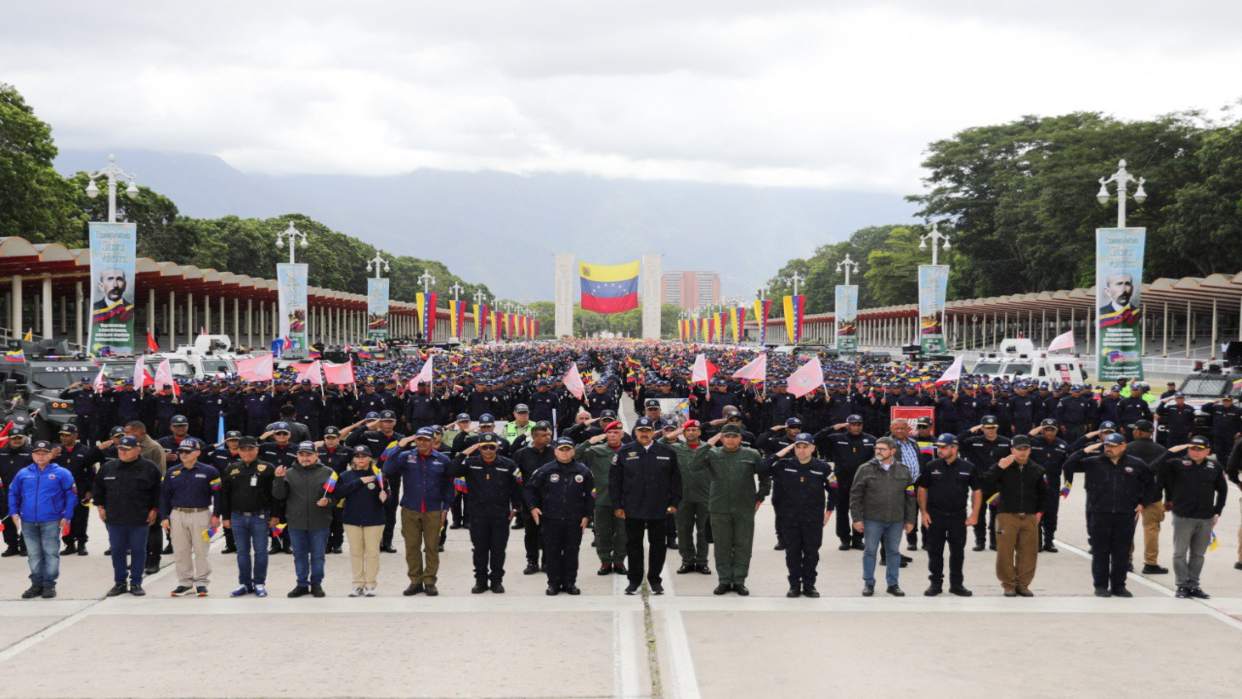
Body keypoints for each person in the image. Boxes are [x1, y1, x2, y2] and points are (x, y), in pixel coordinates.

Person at [1064, 433, 1153, 597]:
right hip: (1099, 513)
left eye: (1112, 446)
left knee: (1121, 553)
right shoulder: (1093, 462)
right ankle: (1100, 586)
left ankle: (1119, 586)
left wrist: (1142, 502)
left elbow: (1150, 484)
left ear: (1123, 446)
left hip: (1125, 514)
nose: (1108, 449)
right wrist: (1085, 450)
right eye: (1106, 446)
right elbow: (1069, 464)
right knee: (1100, 552)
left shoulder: (1136, 464)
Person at [694, 423, 768, 596]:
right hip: (719, 507)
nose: (730, 439)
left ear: (740, 438)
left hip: (744, 508)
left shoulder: (752, 454)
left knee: (743, 544)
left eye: (734, 436)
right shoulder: (712, 454)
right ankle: (724, 580)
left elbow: (765, 476)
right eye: (726, 436)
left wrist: (760, 497)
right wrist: (709, 443)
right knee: (722, 545)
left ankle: (739, 580)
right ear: (722, 438)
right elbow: (695, 464)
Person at [610, 417, 681, 595]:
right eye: (640, 430)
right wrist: (617, 505)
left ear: (653, 432)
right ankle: (634, 580)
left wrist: (674, 503)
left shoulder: (667, 451)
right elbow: (615, 482)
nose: (644, 433)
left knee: (658, 546)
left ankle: (655, 580)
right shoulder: (624, 452)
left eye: (647, 430)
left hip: (659, 508)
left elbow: (676, 481)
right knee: (633, 546)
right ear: (635, 432)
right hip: (632, 508)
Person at [383, 428, 453, 596]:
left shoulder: (442, 460)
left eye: (426, 440)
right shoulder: (405, 456)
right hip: (410, 509)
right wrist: (399, 446)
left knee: (431, 547)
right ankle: (415, 581)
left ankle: (429, 581)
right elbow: (387, 467)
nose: (422, 443)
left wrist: (445, 508)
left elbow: (449, 487)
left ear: (432, 440)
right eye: (419, 439)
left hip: (434, 510)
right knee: (412, 547)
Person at [453, 433, 523, 593]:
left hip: (501, 515)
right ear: (479, 447)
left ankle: (497, 581)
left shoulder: (509, 464)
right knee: (480, 550)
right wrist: (467, 451)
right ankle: (480, 581)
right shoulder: (470, 463)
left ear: (497, 447)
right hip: (477, 515)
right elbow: (452, 470)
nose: (489, 450)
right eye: (484, 447)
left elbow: (517, 488)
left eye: (492, 447)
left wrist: (515, 509)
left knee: (498, 550)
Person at [767, 433, 834, 598]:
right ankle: (794, 585)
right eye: (798, 446)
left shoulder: (823, 467)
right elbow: (761, 467)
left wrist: (828, 511)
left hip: (813, 519)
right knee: (792, 553)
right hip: (790, 519)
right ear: (793, 448)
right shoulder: (783, 465)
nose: (802, 450)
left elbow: (834, 490)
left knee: (812, 553)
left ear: (812, 448)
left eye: (806, 447)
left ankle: (810, 585)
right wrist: (782, 452)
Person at [93, 435, 163, 596]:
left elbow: (158, 492)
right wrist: (100, 507)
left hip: (139, 518)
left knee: (139, 551)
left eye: (126, 449)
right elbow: (98, 489)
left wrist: (154, 510)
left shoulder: (149, 468)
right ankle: (120, 583)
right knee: (117, 551)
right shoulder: (108, 467)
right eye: (120, 449)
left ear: (138, 449)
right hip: (115, 518)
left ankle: (136, 582)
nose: (122, 452)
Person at [1160, 436, 1228, 599]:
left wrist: (1217, 511)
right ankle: (1182, 585)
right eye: (1192, 448)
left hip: (1205, 517)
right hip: (1183, 516)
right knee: (1180, 553)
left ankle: (1193, 584)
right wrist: (1170, 451)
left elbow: (1222, 490)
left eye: (1200, 449)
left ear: (1208, 451)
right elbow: (1158, 468)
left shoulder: (1214, 466)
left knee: (1198, 554)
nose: (1195, 452)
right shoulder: (1176, 464)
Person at [7, 440, 76, 599]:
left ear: (51, 454)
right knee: (34, 554)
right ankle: (36, 584)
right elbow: (13, 492)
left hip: (51, 520)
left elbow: (71, 494)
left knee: (51, 553)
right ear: (32, 455)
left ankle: (49, 585)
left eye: (44, 453)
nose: (41, 456)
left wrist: (67, 516)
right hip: (28, 520)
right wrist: (14, 512)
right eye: (37, 453)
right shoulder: (23, 473)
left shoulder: (62, 473)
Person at [526, 437, 595, 595]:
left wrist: (587, 516)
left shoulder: (583, 471)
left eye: (568, 449)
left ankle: (570, 583)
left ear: (573, 451)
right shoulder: (545, 470)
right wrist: (533, 507)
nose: (564, 452)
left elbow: (591, 495)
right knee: (552, 552)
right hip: (551, 519)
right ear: (555, 451)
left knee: (572, 552)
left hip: (574, 519)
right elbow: (530, 489)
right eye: (561, 449)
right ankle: (553, 583)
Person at [849, 436, 917, 597]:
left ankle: (893, 584)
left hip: (896, 519)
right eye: (876, 449)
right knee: (870, 551)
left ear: (892, 451)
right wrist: (857, 518)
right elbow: (855, 495)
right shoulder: (865, 469)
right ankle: (869, 583)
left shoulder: (903, 470)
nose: (878, 451)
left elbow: (910, 497)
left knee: (893, 552)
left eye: (882, 449)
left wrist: (910, 520)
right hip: (873, 518)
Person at [916, 434, 981, 597]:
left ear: (954, 447)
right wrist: (923, 513)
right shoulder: (931, 466)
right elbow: (922, 489)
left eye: (944, 447)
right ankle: (935, 584)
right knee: (934, 552)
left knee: (958, 552)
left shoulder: (968, 467)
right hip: (935, 516)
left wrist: (974, 514)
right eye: (939, 447)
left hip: (958, 516)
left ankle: (957, 585)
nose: (940, 450)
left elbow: (977, 491)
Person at [273, 441, 335, 598]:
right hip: (296, 522)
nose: (305, 458)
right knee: (299, 555)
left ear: (316, 455)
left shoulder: (328, 473)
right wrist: (279, 479)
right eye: (302, 455)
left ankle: (316, 584)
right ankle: (301, 584)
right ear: (297, 456)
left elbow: (336, 495)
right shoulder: (289, 473)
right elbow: (279, 496)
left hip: (319, 522)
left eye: (309, 455)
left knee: (318, 555)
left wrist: (328, 501)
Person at [159, 438, 220, 597]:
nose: (183, 454)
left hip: (200, 514)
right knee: (180, 550)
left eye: (187, 451)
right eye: (181, 452)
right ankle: (185, 582)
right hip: (177, 515)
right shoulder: (172, 472)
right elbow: (164, 496)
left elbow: (218, 495)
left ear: (198, 452)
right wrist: (164, 516)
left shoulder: (210, 471)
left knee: (201, 550)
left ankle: (201, 582)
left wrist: (216, 515)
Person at [988, 436, 1047, 597]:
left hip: (1029, 516)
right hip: (1006, 515)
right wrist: (999, 467)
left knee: (1029, 552)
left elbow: (1044, 494)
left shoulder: (1037, 469)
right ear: (1012, 450)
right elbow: (985, 483)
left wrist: (1039, 513)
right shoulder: (1003, 467)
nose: (1022, 452)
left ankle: (1023, 584)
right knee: (1005, 552)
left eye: (1025, 449)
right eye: (1019, 449)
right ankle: (1008, 585)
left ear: (1030, 450)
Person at [218, 435, 277, 598]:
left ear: (257, 449)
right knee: (242, 552)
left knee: (261, 552)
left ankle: (259, 583)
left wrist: (275, 515)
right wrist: (226, 517)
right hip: (237, 517)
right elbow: (225, 494)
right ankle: (244, 583)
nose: (247, 452)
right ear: (238, 451)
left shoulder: (267, 468)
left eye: (251, 449)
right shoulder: (232, 469)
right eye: (243, 449)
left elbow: (276, 494)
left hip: (260, 516)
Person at [332, 446, 388, 597]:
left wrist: (385, 495)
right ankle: (358, 584)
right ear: (353, 459)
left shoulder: (378, 475)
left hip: (374, 519)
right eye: (357, 456)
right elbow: (339, 492)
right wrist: (359, 481)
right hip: (352, 519)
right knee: (356, 552)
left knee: (372, 553)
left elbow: (386, 493)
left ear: (370, 458)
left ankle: (370, 584)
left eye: (364, 456)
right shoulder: (345, 475)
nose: (361, 459)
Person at [814, 414, 875, 551]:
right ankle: (844, 539)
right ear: (847, 425)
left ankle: (858, 539)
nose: (856, 427)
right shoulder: (837, 438)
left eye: (859, 424)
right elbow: (815, 439)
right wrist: (832, 428)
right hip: (841, 481)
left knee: (860, 511)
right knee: (842, 511)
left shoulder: (870, 440)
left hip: (862, 482)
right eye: (853, 424)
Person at [576, 421, 629, 575]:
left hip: (624, 500)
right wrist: (588, 442)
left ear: (622, 434)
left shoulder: (630, 451)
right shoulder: (596, 450)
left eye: (616, 432)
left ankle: (619, 561)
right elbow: (576, 455)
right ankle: (605, 562)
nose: (613, 435)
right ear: (605, 434)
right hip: (602, 499)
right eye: (610, 432)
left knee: (622, 533)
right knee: (602, 533)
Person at [664, 420, 711, 575]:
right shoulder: (676, 448)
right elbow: (658, 444)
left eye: (694, 429)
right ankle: (688, 561)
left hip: (705, 496)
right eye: (688, 430)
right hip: (682, 496)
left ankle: (702, 562)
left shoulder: (709, 449)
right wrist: (675, 432)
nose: (691, 432)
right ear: (683, 433)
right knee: (684, 530)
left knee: (704, 531)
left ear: (699, 432)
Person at [1125, 419, 1169, 574]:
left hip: (1130, 495)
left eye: (1135, 429)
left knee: (1127, 528)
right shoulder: (1162, 450)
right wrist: (1168, 497)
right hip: (1153, 495)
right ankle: (1150, 563)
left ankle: (1126, 560)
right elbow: (1167, 476)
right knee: (1151, 529)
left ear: (1139, 432)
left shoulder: (1127, 448)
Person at [511, 422, 554, 573]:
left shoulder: (554, 452)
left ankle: (547, 562)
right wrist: (518, 502)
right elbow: (516, 479)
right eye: (544, 435)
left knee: (548, 533)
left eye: (549, 434)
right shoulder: (521, 454)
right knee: (531, 533)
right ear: (535, 437)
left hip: (550, 500)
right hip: (529, 500)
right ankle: (532, 562)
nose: (548, 437)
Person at [55, 424, 95, 556]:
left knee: (80, 518)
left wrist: (90, 491)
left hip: (80, 491)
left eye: (67, 435)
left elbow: (91, 473)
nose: (64, 438)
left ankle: (82, 544)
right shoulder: (57, 451)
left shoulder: (85, 451)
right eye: (62, 435)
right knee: (65, 519)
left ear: (75, 435)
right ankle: (69, 544)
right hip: (61, 492)